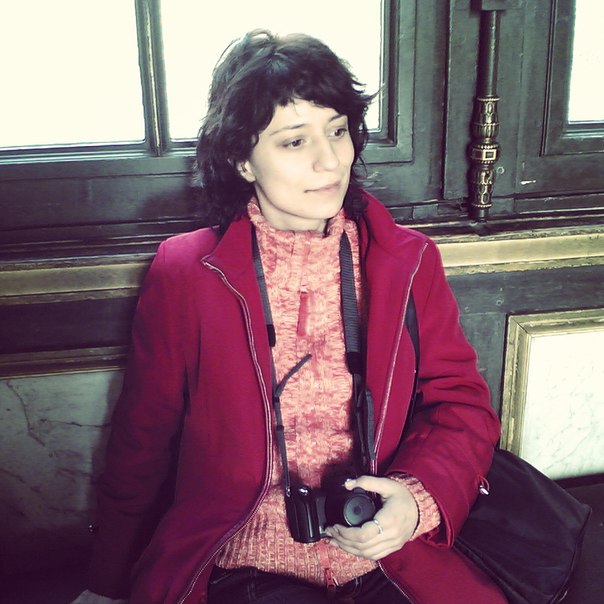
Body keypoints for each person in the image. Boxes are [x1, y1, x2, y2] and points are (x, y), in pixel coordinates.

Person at [72, 30, 507, 604]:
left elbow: (462, 406)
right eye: (294, 141)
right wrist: (107, 582)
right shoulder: (187, 274)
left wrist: (415, 501)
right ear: (241, 160)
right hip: (243, 563)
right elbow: (142, 438)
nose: (329, 160)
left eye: (337, 130)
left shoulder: (406, 260)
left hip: (388, 557)